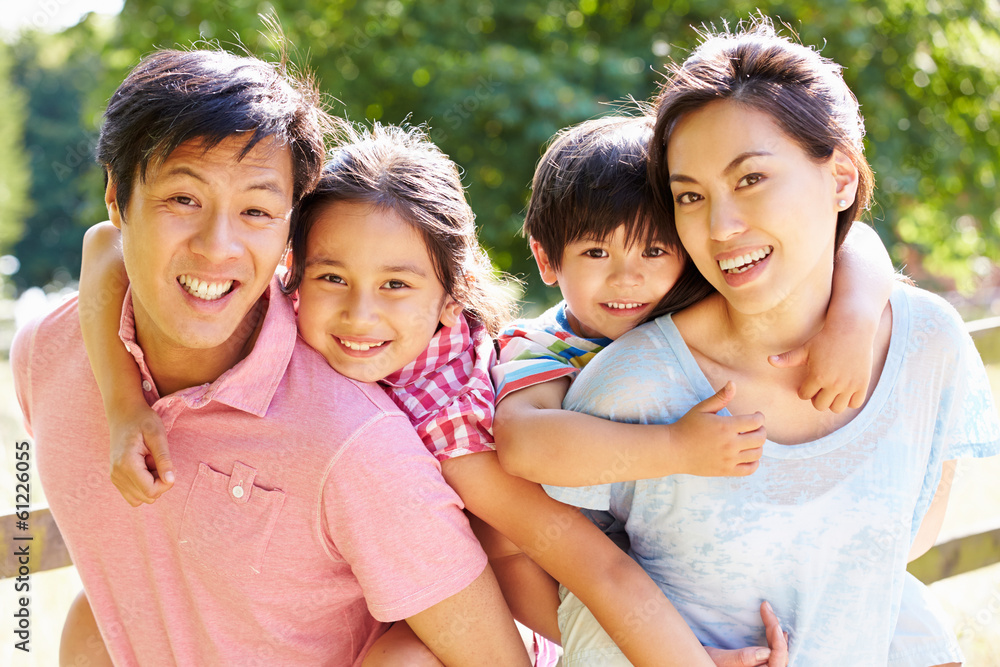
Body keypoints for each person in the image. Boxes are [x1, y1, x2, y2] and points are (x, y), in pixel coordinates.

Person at [80, 120, 784, 667]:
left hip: (518, 624)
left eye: (396, 285)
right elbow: (103, 245)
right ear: (293, 270)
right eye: (333, 280)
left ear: (451, 296)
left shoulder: (456, 426)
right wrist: (124, 405)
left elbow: (589, 565)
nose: (360, 315)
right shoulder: (270, 291)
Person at [11, 48, 528, 666]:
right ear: (117, 199)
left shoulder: (357, 443)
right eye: (183, 199)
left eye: (256, 211)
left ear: (287, 232)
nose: (217, 247)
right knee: (89, 622)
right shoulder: (47, 353)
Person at [541, 19, 1000, 666]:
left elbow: (899, 550)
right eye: (691, 196)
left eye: (751, 178)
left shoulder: (928, 345)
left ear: (840, 178)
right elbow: (551, 577)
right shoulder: (635, 385)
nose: (721, 226)